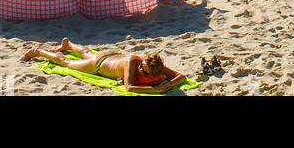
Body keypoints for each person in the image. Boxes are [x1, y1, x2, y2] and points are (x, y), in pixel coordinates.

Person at [19, 41, 187, 94]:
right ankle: (37, 52)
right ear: (142, 64)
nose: (142, 72)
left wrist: (171, 84)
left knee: (86, 52)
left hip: (110, 56)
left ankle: (68, 44)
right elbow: (129, 87)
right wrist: (156, 89)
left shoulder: (154, 65)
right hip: (98, 65)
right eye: (142, 70)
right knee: (66, 63)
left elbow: (182, 77)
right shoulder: (132, 62)